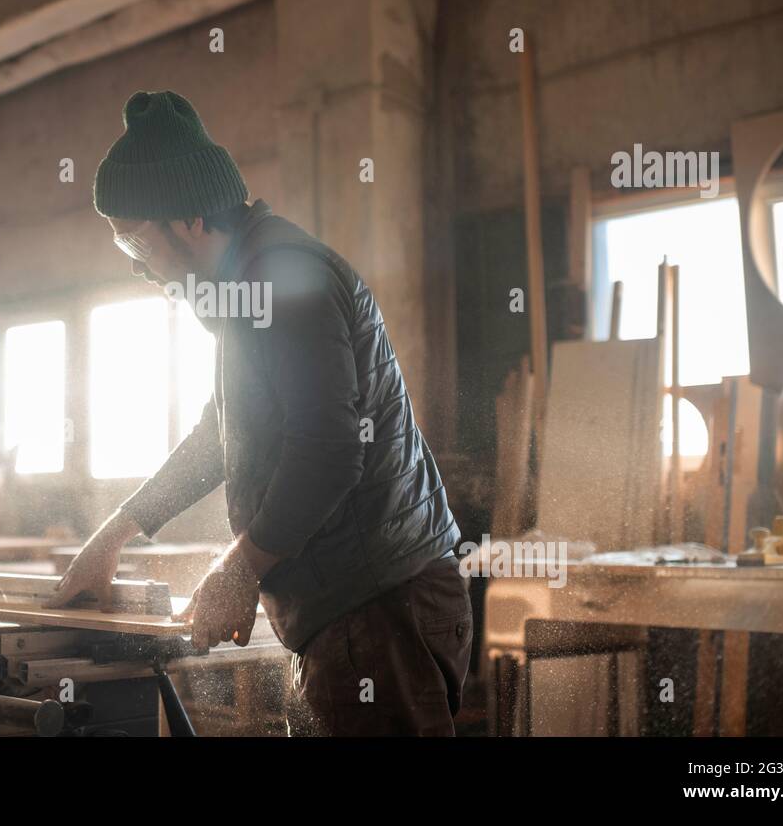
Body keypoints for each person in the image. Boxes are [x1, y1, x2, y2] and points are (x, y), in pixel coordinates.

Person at [47, 90, 470, 735]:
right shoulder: (242, 288)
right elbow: (218, 436)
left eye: (135, 242)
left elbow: (329, 451)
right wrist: (116, 534)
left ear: (190, 218)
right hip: (356, 609)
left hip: (380, 607)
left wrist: (238, 567)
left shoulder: (282, 278)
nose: (138, 269)